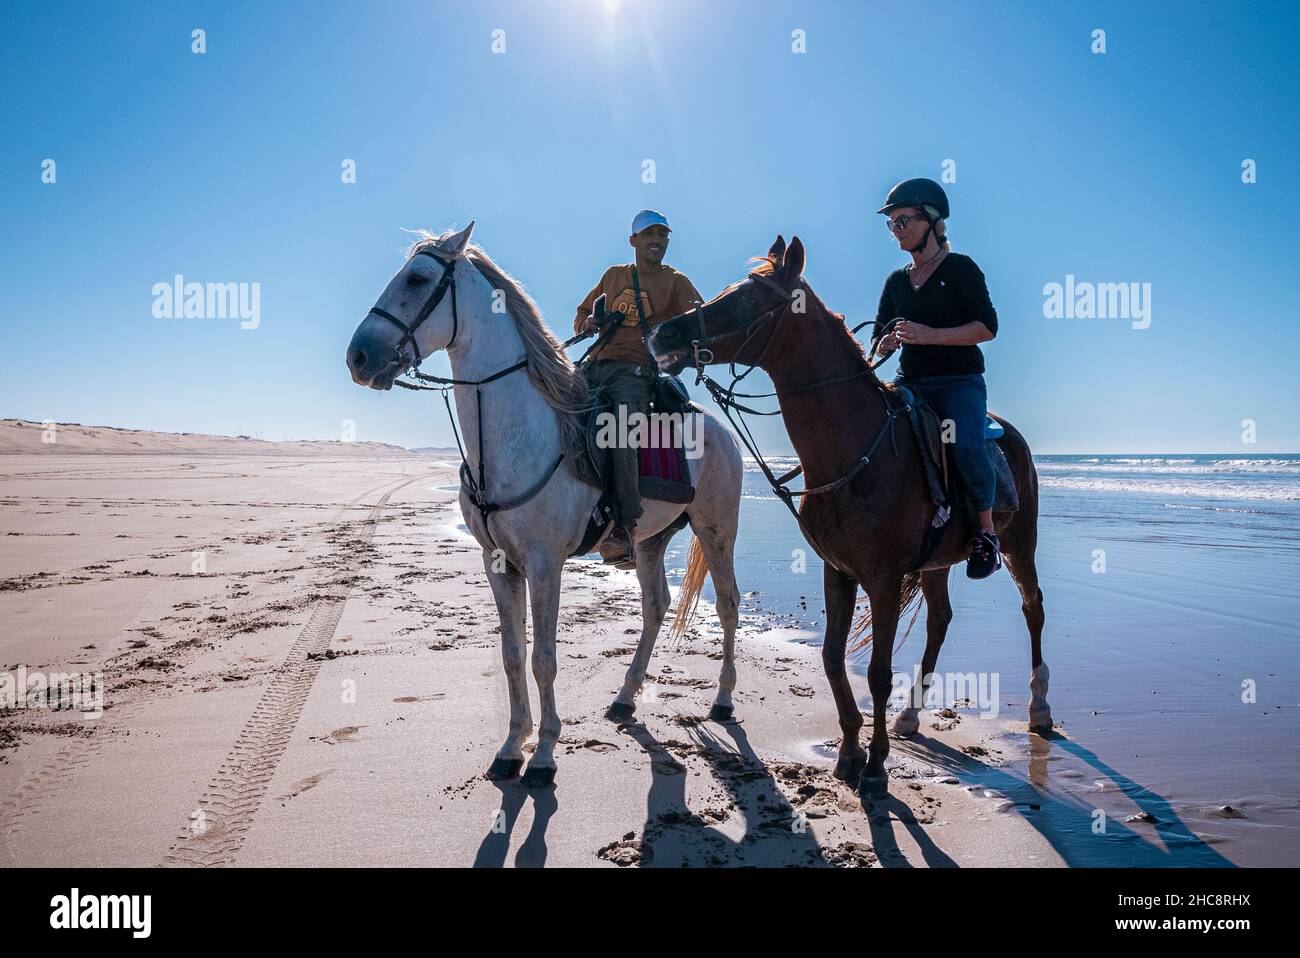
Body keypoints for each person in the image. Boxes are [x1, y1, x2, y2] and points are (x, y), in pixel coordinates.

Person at [872, 178, 1003, 579]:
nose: (896, 229)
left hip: (958, 381)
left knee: (964, 444)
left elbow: (988, 328)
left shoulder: (962, 269)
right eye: (891, 223)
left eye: (902, 220)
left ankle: (986, 533)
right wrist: (887, 342)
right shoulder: (895, 281)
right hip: (908, 382)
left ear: (931, 220)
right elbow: (876, 339)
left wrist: (932, 336)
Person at [574, 210, 703, 565]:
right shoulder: (613, 276)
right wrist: (588, 322)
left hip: (635, 374)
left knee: (620, 429)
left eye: (663, 235)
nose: (657, 240)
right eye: (649, 234)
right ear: (633, 240)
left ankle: (624, 526)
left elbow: (700, 321)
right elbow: (582, 313)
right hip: (593, 367)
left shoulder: (676, 281)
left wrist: (675, 345)